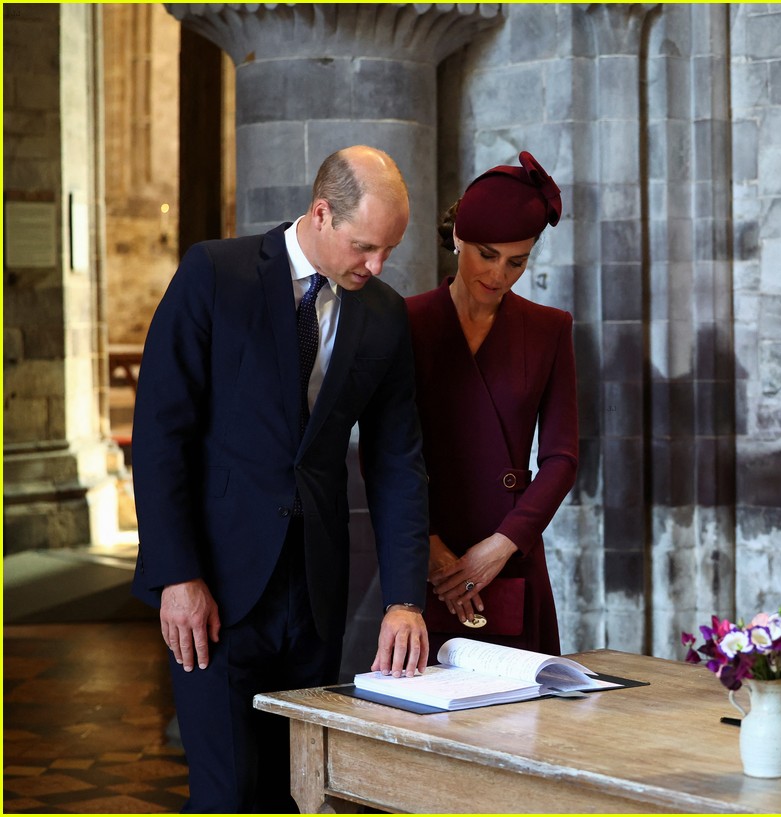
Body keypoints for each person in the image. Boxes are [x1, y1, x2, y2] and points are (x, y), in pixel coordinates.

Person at [131, 145, 431, 811]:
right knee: (228, 794)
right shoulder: (216, 273)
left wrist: (404, 599)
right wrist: (177, 575)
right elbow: (159, 435)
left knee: (296, 792)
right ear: (321, 213)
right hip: (214, 589)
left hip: (314, 595)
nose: (377, 266)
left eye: (389, 249)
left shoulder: (383, 314)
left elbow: (397, 462)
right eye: (364, 246)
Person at [405, 151, 577, 660]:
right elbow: (383, 447)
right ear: (458, 237)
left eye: (516, 261)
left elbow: (562, 458)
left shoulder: (549, 329)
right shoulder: (406, 322)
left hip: (511, 553)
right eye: (486, 254)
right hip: (422, 553)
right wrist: (429, 546)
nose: (499, 274)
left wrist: (501, 546)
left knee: (524, 705)